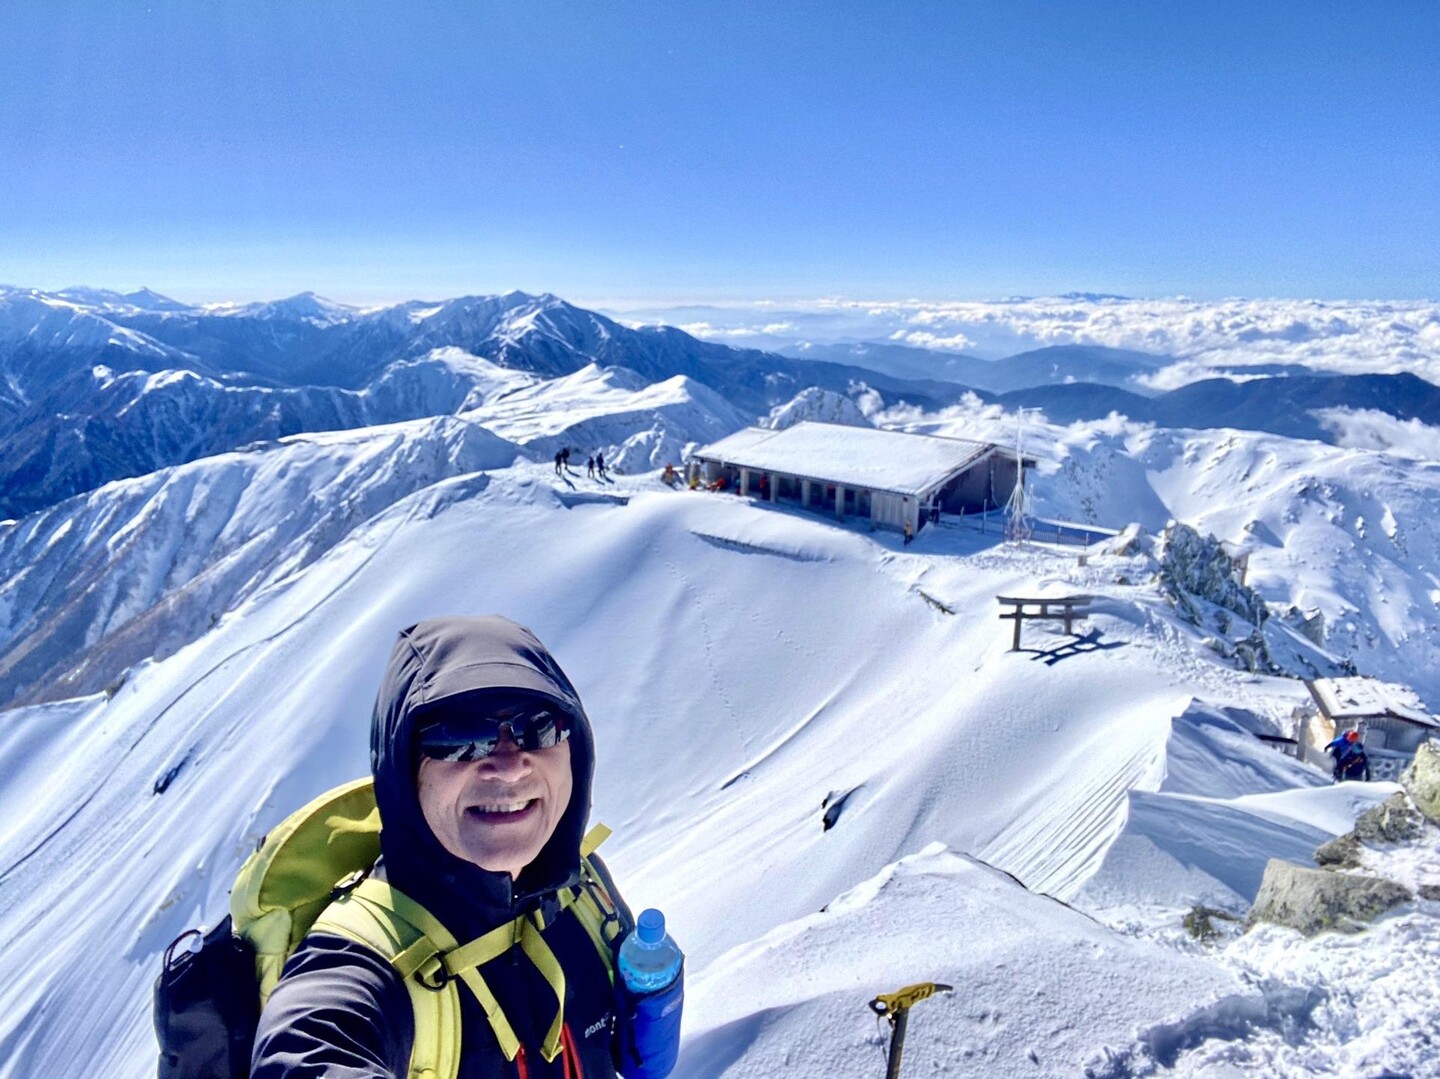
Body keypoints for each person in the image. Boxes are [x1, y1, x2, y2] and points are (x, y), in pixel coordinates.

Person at [250, 615, 682, 1078]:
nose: (510, 766)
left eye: (540, 728)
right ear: (403, 770)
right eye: (460, 739)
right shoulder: (360, 961)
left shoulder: (580, 888)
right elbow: (308, 1050)